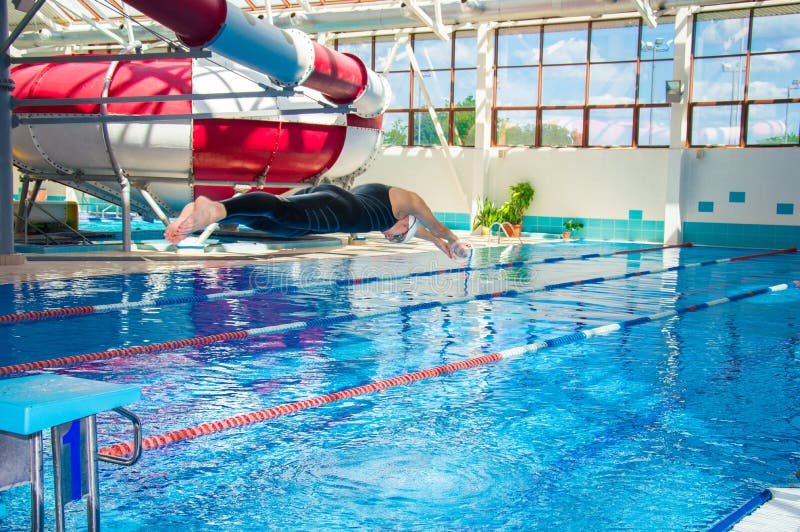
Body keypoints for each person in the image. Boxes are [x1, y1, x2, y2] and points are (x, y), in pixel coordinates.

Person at [164, 183, 471, 259]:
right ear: (407, 220)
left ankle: (210, 215)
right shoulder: (404, 202)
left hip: (327, 216)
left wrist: (440, 246)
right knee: (281, 211)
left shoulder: (393, 218)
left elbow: (424, 233)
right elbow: (432, 224)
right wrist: (453, 239)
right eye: (396, 236)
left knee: (272, 224)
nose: (388, 236)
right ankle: (214, 208)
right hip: (336, 207)